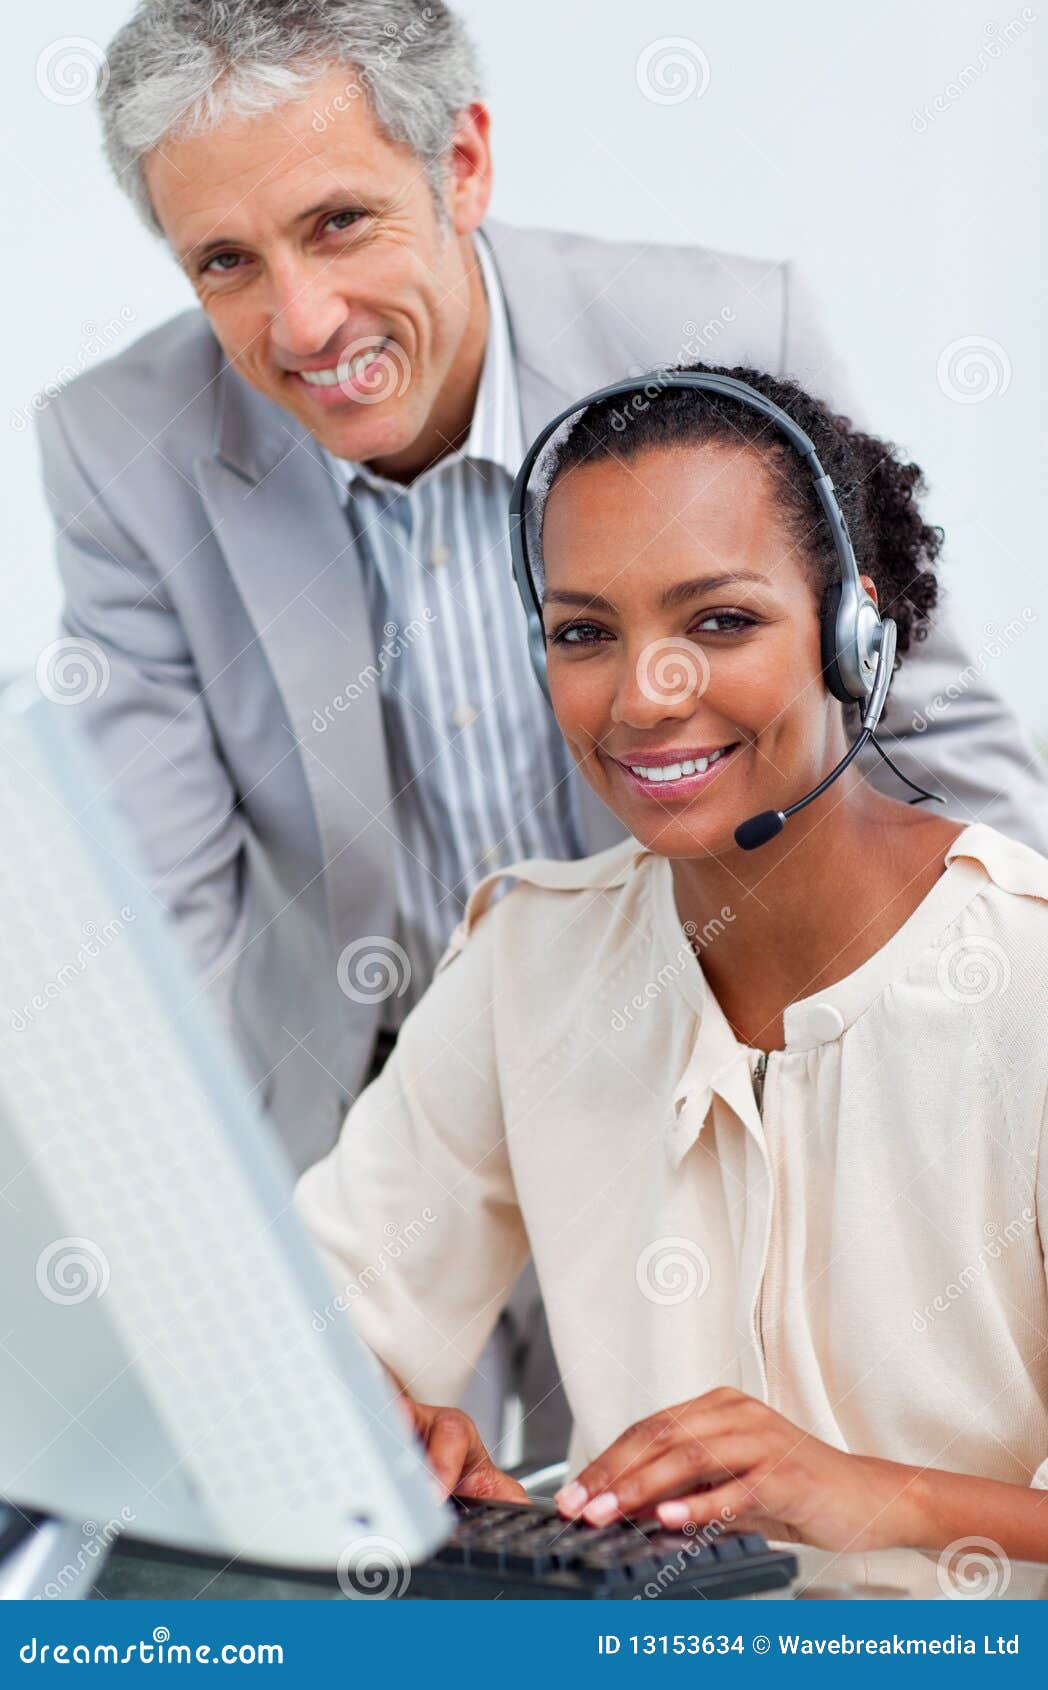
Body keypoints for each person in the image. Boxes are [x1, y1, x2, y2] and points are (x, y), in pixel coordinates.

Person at [37, 0, 1048, 1467]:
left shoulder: (717, 339)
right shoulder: (119, 444)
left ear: (463, 165)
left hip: (725, 1055)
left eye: (338, 223)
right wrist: (213, 1329)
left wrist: (946, 1074)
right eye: (226, 263)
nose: (301, 322)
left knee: (749, 1463)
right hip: (388, 1090)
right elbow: (155, 937)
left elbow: (938, 740)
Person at [294, 364, 1048, 1559]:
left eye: (720, 621)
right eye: (584, 633)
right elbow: (310, 1321)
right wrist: (377, 1421)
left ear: (856, 637)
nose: (644, 697)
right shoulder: (529, 960)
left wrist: (876, 1496)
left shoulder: (1024, 983)